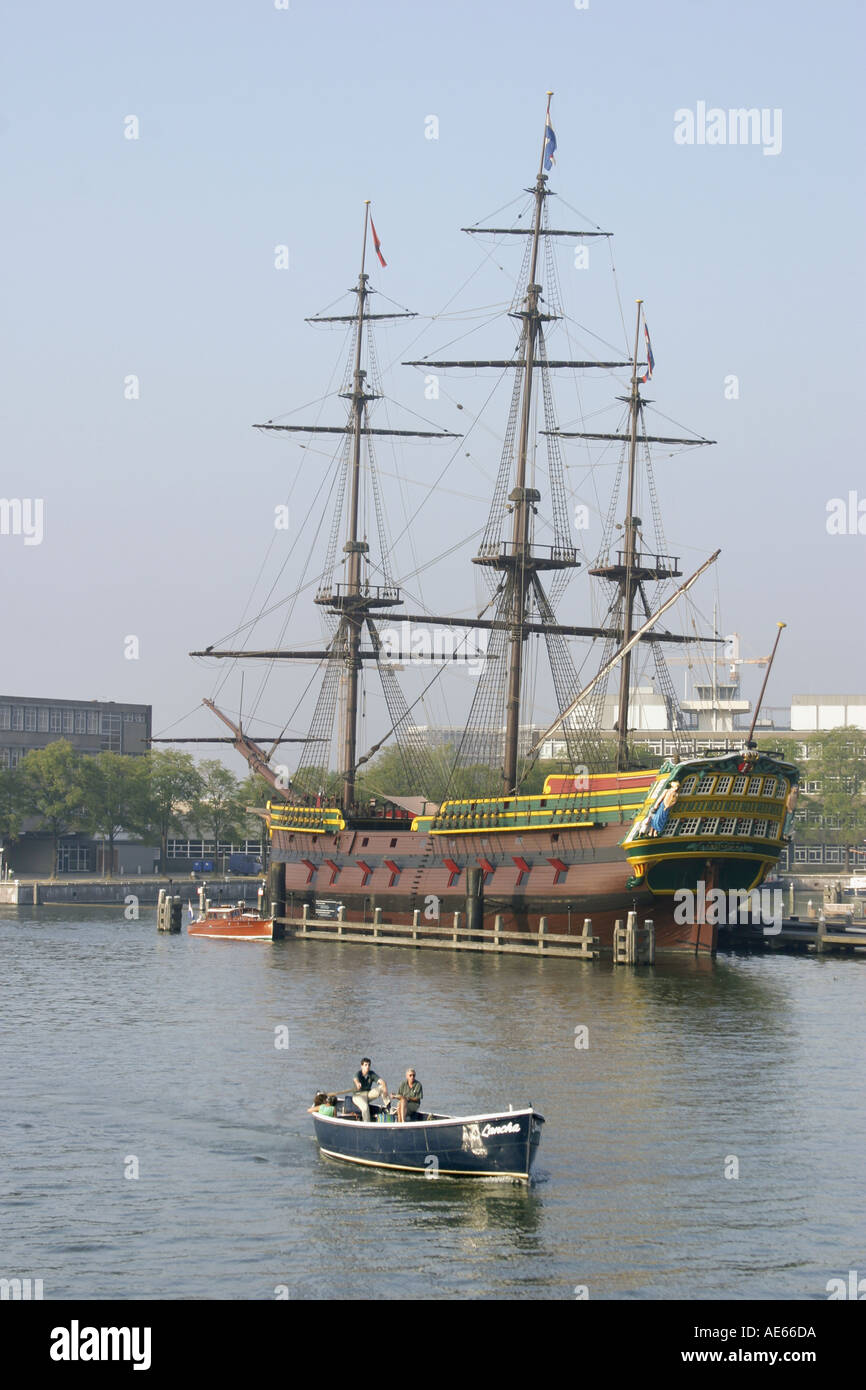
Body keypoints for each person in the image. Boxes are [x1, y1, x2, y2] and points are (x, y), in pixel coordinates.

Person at [351, 1057, 388, 1122]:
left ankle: (388, 1106)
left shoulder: (371, 1073)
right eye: (365, 1065)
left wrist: (384, 1088)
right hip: (358, 1096)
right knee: (365, 1107)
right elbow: (355, 1079)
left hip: (368, 1094)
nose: (367, 1067)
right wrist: (357, 1084)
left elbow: (381, 1081)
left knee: (382, 1087)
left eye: (368, 1065)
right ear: (362, 1066)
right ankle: (367, 1123)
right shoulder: (358, 1074)